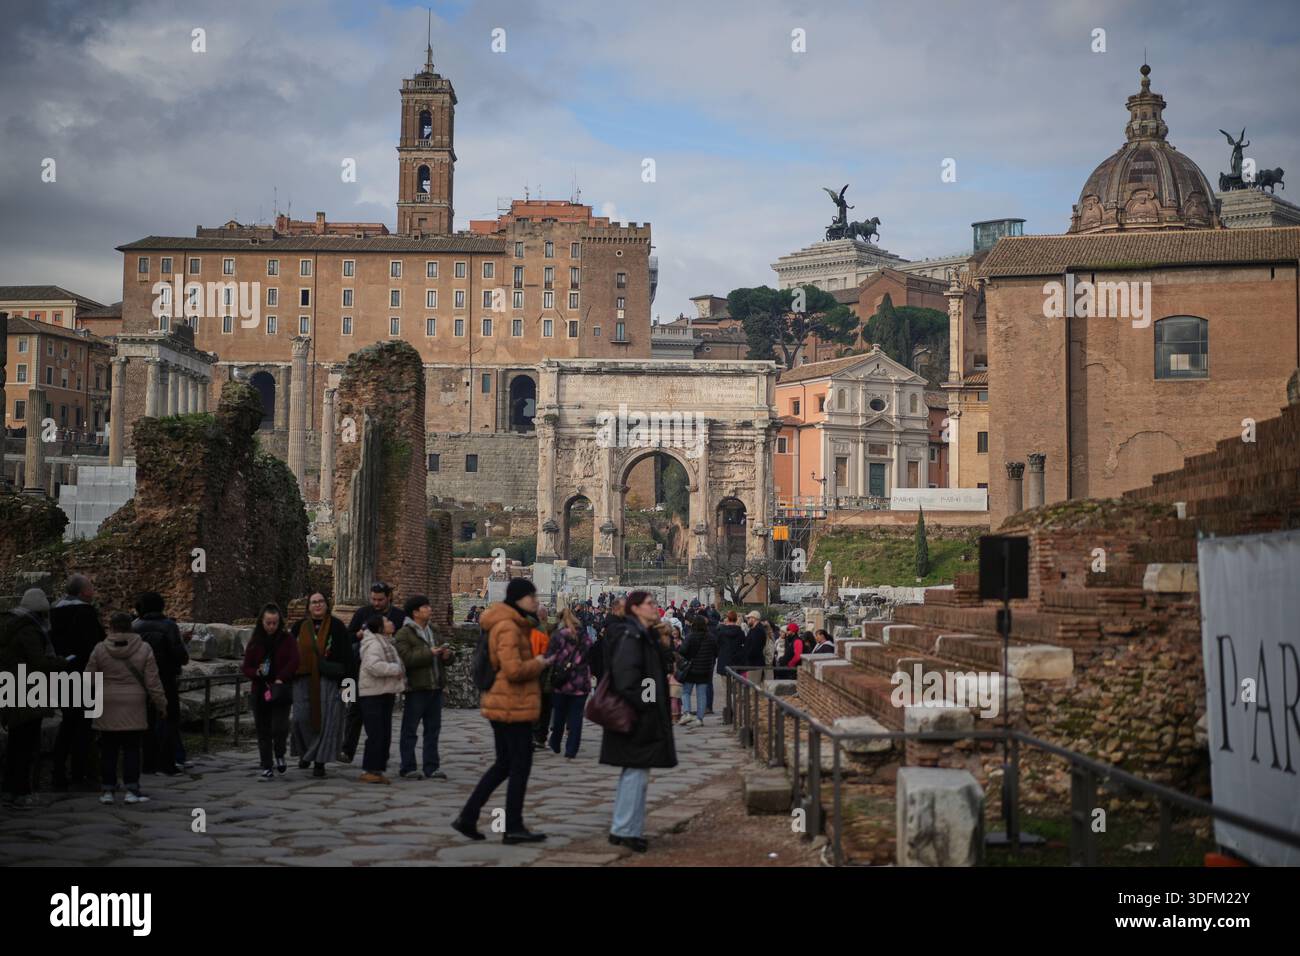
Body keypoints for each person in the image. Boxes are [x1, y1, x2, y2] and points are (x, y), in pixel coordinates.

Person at [452, 578, 552, 844]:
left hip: (506, 702)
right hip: (510, 703)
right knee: (519, 765)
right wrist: (540, 663)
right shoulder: (508, 627)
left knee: (504, 764)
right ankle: (512, 826)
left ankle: (468, 817)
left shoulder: (508, 623)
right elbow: (514, 670)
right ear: (519, 599)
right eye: (532, 597)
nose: (536, 601)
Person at [601, 590, 677, 853]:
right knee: (636, 773)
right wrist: (646, 703)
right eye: (649, 603)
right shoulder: (632, 637)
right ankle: (626, 830)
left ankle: (623, 828)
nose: (655, 607)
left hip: (640, 712)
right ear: (635, 608)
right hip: (637, 715)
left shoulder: (641, 635)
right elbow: (628, 678)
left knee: (635, 773)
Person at [86, 612, 169, 804]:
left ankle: (107, 790)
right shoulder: (144, 648)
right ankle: (132, 789)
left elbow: (88, 679)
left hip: (107, 702)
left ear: (111, 627)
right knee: (132, 749)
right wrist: (161, 704)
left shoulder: (99, 649)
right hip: (134, 702)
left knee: (108, 750)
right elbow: (153, 681)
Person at [0, 589, 69, 808]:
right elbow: (39, 662)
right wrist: (62, 662)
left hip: (11, 686)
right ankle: (22, 791)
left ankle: (9, 789)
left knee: (15, 742)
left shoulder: (7, 624)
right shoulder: (29, 629)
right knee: (27, 744)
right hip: (30, 689)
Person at [49, 574, 105, 791]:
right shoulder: (85, 613)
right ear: (83, 592)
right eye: (91, 587)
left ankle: (58, 773)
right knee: (84, 726)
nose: (93, 591)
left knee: (67, 724)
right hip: (84, 674)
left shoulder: (54, 612)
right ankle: (80, 774)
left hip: (62, 674)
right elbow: (94, 646)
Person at [340, 582, 405, 764]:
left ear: (388, 597)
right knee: (353, 710)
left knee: (381, 719)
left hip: (384, 677)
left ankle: (379, 755)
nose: (376, 603)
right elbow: (348, 636)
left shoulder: (398, 616)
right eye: (373, 599)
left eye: (380, 599)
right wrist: (358, 635)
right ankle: (347, 750)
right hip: (356, 673)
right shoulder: (362, 613)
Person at [290, 593, 351, 778]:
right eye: (314, 602)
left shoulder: (337, 626)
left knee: (327, 722)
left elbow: (347, 657)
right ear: (308, 606)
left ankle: (319, 761)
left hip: (328, 680)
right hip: (302, 680)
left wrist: (347, 686)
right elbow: (289, 651)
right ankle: (307, 752)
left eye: (321, 602)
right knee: (300, 718)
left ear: (327, 604)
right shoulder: (299, 627)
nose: (317, 605)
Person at [395, 595, 454, 780]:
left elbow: (449, 657)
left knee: (433, 730)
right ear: (415, 612)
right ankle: (408, 766)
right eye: (425, 607)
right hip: (416, 688)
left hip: (435, 686)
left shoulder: (434, 631)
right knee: (410, 730)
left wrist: (447, 656)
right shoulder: (404, 633)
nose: (429, 609)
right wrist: (429, 653)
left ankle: (432, 766)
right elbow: (406, 658)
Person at [132, 591, 189, 775]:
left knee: (146, 723)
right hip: (166, 678)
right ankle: (167, 763)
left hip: (140, 680)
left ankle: (148, 764)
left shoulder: (135, 626)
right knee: (170, 721)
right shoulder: (169, 626)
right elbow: (180, 656)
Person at [240, 604, 299, 781]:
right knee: (263, 729)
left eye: (274, 623)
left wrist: (282, 676)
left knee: (279, 727)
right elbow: (246, 666)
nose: (271, 626)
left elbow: (294, 660)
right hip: (260, 689)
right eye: (268, 623)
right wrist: (255, 673)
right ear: (262, 622)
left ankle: (279, 753)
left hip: (280, 689)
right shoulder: (255, 641)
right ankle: (266, 765)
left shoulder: (287, 639)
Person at [358, 614, 405, 784]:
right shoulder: (374, 644)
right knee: (376, 734)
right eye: (387, 621)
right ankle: (369, 769)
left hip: (384, 692)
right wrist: (394, 669)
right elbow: (372, 666)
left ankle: (377, 769)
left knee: (384, 733)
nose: (391, 623)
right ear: (379, 627)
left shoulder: (385, 642)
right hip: (372, 694)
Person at [545, 606, 593, 758]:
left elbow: (550, 657)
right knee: (576, 717)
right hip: (581, 681)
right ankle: (571, 749)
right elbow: (589, 654)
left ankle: (555, 741)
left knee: (559, 714)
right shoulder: (584, 636)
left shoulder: (558, 636)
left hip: (562, 682)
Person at [677, 615, 718, 727]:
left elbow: (683, 651)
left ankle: (687, 712)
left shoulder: (690, 637)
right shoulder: (711, 637)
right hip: (705, 670)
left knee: (686, 692)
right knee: (702, 695)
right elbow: (716, 652)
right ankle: (700, 719)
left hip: (691, 669)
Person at [531, 605, 553, 750]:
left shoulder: (533, 630)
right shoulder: (545, 631)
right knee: (544, 709)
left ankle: (536, 736)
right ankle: (539, 737)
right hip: (544, 675)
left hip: (535, 674)